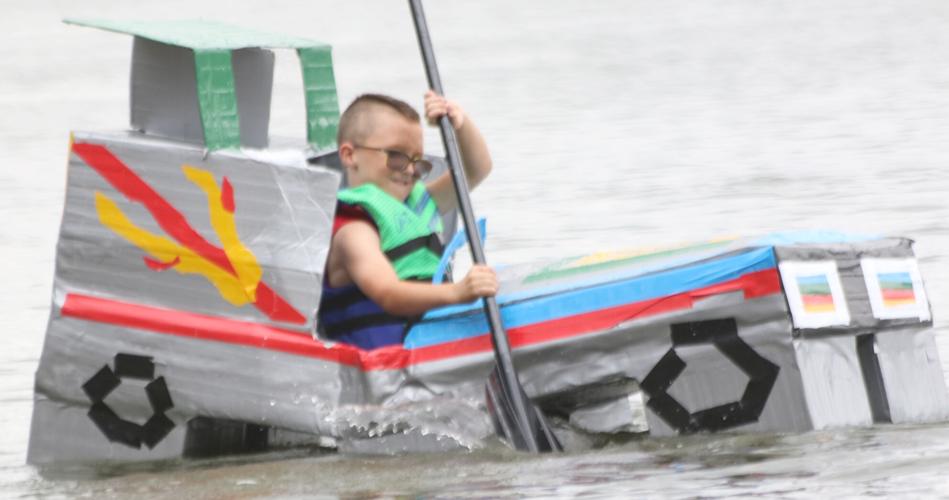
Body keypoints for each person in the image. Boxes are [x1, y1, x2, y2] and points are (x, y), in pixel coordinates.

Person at [318, 91, 498, 350]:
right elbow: (388, 293)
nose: (411, 170)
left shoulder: (422, 205)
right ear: (349, 155)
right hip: (382, 372)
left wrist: (458, 123)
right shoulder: (354, 230)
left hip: (427, 349)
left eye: (418, 161)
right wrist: (458, 293)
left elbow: (476, 169)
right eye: (397, 156)